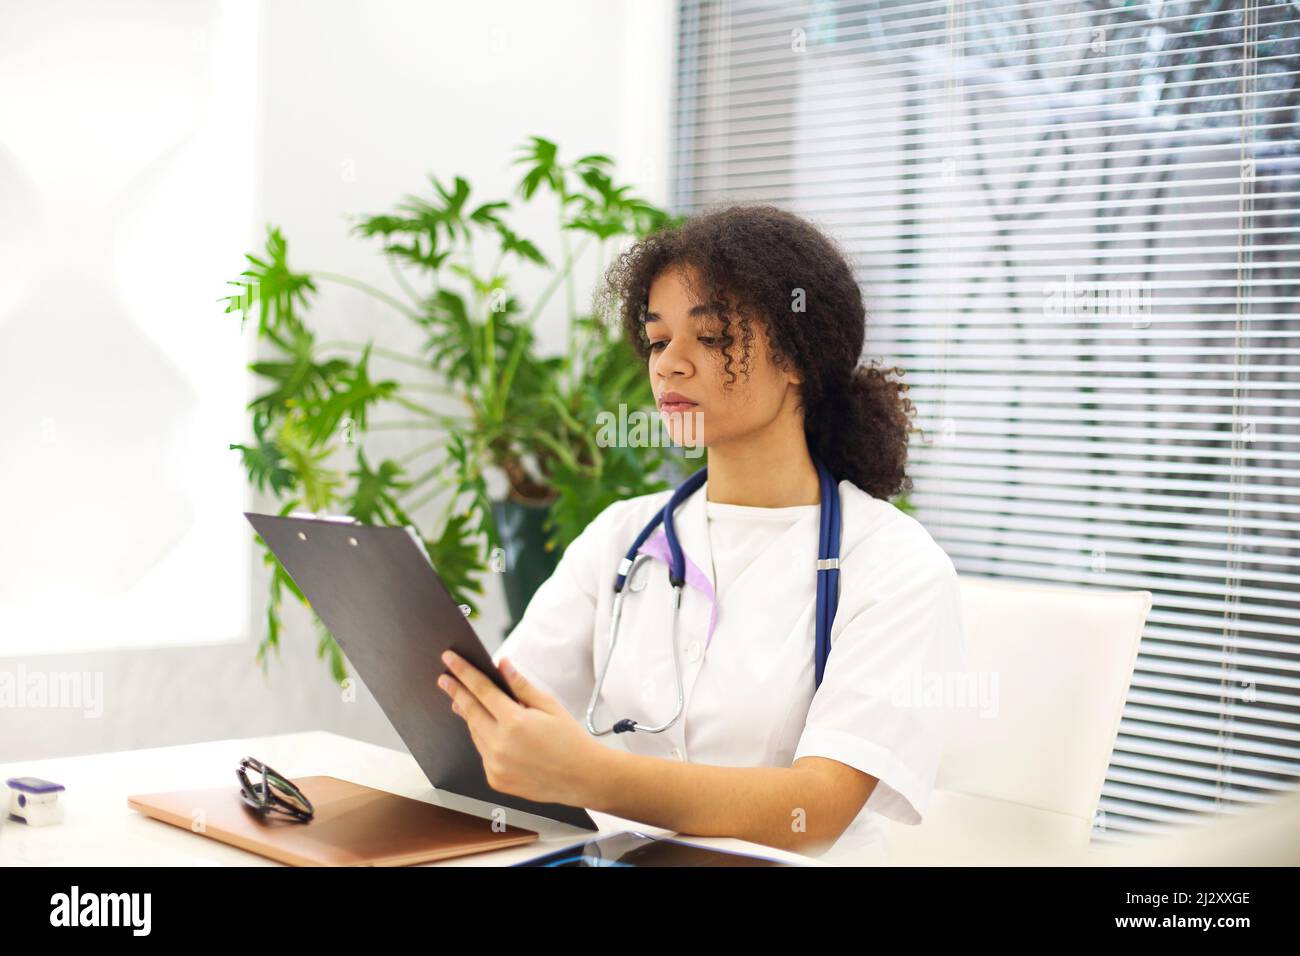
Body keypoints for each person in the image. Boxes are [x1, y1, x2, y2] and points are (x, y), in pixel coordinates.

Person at [435, 203, 966, 862]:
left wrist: (592, 776)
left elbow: (818, 810)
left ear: (798, 355)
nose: (669, 366)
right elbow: (508, 703)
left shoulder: (893, 565)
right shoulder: (622, 535)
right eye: (658, 340)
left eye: (711, 338)